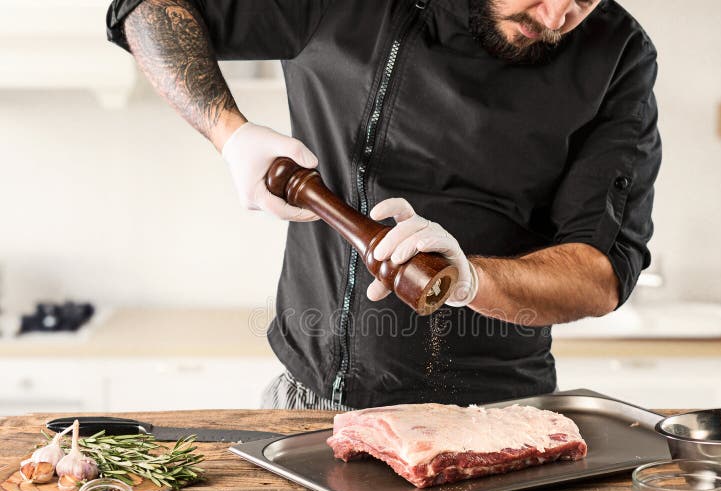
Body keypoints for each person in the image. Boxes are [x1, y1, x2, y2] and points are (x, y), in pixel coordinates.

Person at [106, 0, 661, 410]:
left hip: (499, 413)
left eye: (586, 0)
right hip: (312, 406)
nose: (560, 13)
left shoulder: (617, 54)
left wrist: (472, 281)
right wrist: (229, 133)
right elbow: (146, 9)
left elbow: (600, 274)